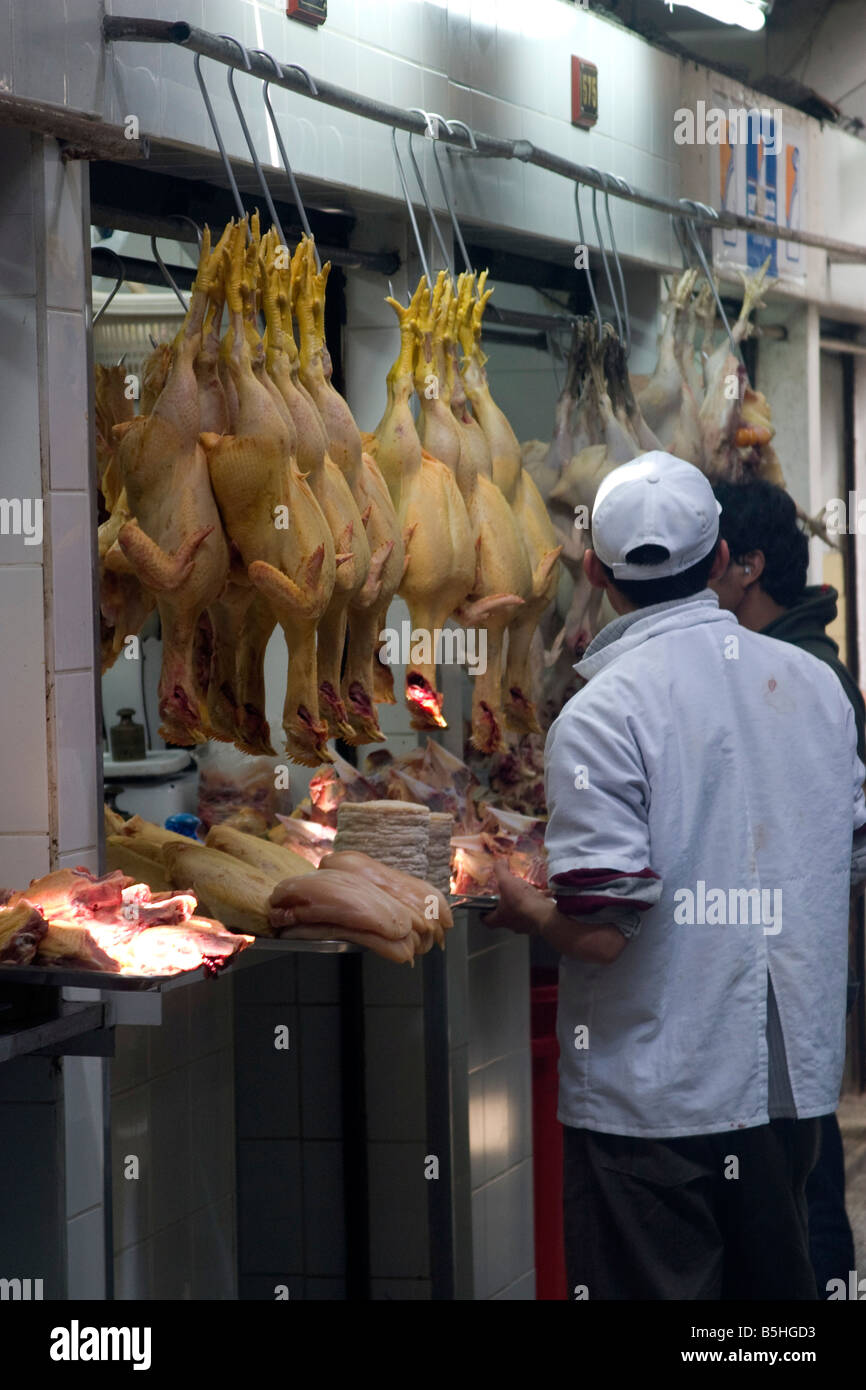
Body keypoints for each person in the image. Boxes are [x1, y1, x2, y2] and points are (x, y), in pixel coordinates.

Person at [484, 452, 866, 1301]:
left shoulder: (602, 714)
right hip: (784, 1089)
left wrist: (524, 907)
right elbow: (847, 859)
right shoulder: (815, 686)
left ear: (595, 571)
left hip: (654, 1103)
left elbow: (601, 933)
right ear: (722, 561)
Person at [711, 476, 864, 1299]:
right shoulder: (797, 662)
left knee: (801, 1191)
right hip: (789, 968)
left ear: (749, 567)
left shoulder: (799, 676)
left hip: (790, 971)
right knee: (799, 1175)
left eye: (719, 557)